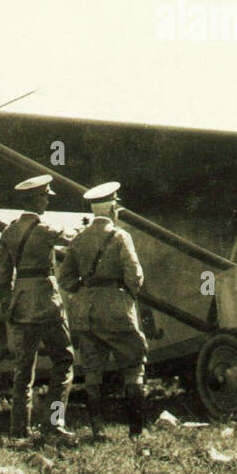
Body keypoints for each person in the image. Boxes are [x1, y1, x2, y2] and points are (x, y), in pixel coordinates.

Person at [60, 182, 147, 439]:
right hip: (116, 308)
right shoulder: (121, 236)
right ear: (112, 209)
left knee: (92, 371)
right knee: (134, 367)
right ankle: (136, 431)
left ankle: (98, 430)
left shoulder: (79, 238)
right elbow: (135, 274)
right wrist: (126, 295)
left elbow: (65, 278)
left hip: (85, 312)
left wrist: (85, 289)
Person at [0, 174, 77, 443]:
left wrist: (9, 308)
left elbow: (3, 277)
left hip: (21, 305)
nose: (47, 201)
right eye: (45, 196)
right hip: (46, 302)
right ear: (36, 199)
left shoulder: (8, 232)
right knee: (64, 361)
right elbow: (72, 240)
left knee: (23, 370)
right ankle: (54, 424)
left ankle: (19, 431)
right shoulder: (45, 230)